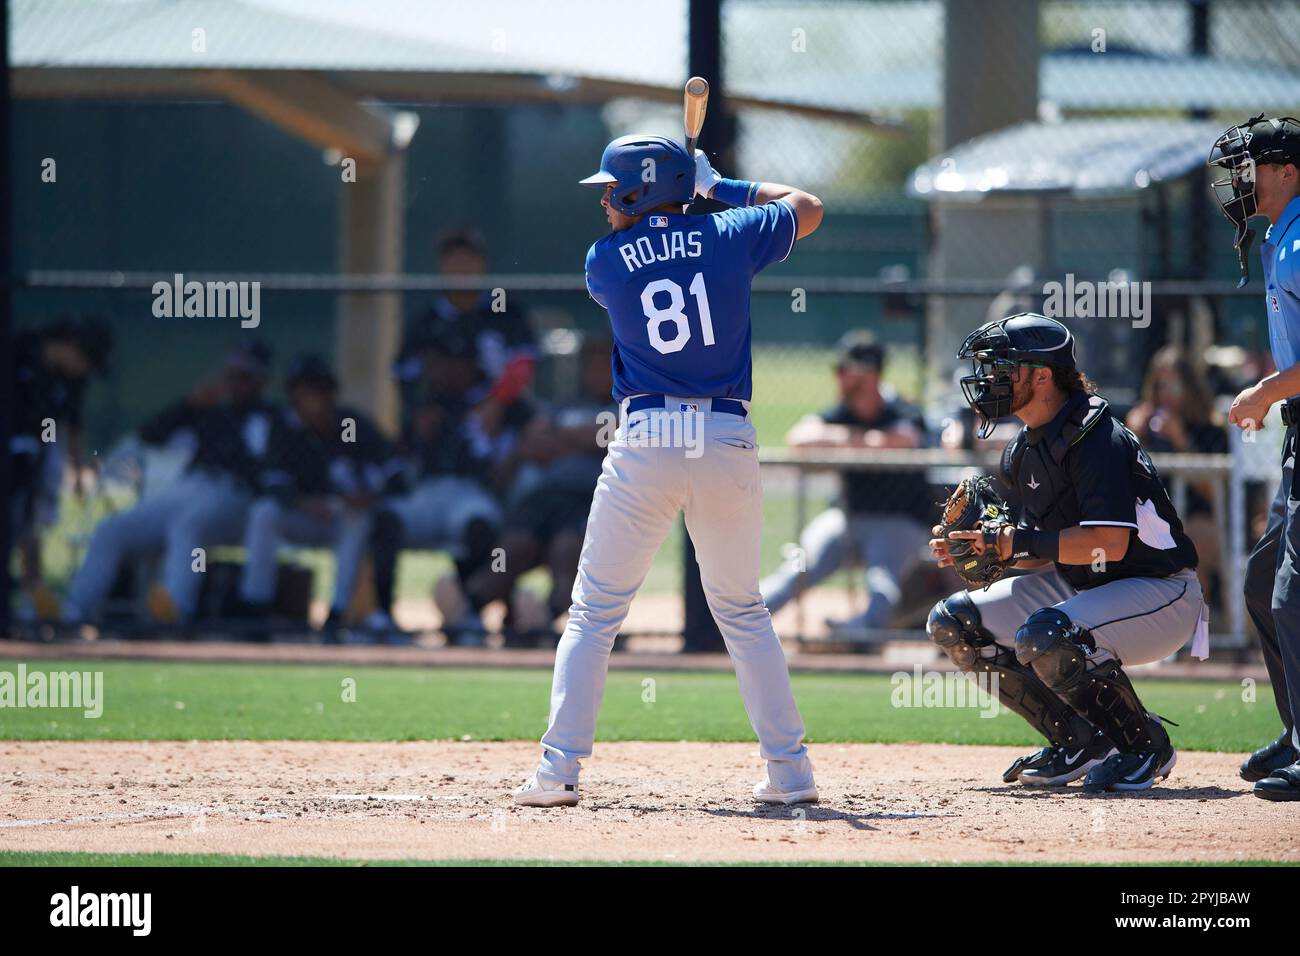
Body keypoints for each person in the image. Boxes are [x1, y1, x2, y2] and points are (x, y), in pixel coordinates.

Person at [513, 133, 825, 808]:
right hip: (725, 434)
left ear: (637, 191)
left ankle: (557, 772)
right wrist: (723, 190)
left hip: (651, 436)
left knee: (595, 610)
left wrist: (690, 206)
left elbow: (652, 256)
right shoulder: (732, 230)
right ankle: (791, 773)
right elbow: (808, 206)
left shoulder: (605, 261)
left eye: (611, 188)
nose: (603, 200)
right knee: (743, 611)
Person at [927, 313, 1206, 792]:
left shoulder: (1095, 436)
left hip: (1159, 591)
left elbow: (1108, 542)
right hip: (1087, 583)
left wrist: (1017, 542)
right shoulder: (1024, 448)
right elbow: (1046, 548)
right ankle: (1078, 739)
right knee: (955, 623)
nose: (990, 379)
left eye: (1003, 368)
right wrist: (987, 547)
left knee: (1048, 634)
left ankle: (1143, 744)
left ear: (1041, 376)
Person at [1210, 113, 1300, 800]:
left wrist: (1265, 389)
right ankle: (1296, 729)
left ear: (1289, 170)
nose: (1241, 179)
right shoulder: (1279, 237)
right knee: (1261, 585)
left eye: (1253, 165)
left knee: (1291, 596)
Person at [59, 342, 275, 627]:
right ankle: (72, 612)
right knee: (112, 529)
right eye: (231, 376)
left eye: (244, 378)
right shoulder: (207, 411)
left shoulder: (271, 418)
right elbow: (149, 435)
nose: (236, 384)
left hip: (234, 497)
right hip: (189, 487)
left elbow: (264, 470)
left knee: (188, 527)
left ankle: (174, 611)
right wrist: (189, 405)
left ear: (260, 382)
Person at [760, 332, 931, 639]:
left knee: (882, 583)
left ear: (870, 374)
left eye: (845, 371)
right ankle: (739, 624)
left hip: (899, 521)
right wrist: (863, 441)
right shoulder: (843, 411)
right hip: (848, 518)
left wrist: (842, 440)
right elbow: (798, 439)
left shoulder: (902, 408)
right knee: (798, 568)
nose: (839, 378)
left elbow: (904, 440)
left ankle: (859, 637)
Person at [460, 335, 618, 647]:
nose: (598, 371)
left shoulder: (627, 404)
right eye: (593, 364)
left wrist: (563, 438)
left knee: (565, 551)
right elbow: (533, 444)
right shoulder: (567, 404)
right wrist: (575, 440)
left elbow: (607, 436)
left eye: (607, 364)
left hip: (589, 500)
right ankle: (466, 608)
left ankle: (542, 622)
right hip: (547, 497)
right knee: (511, 550)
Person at [235, 354, 404, 641]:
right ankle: (256, 609)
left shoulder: (352, 424)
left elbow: (396, 474)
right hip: (300, 516)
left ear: (330, 394)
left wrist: (368, 496)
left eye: (316, 393)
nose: (310, 402)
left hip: (341, 518)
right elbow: (267, 481)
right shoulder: (284, 428)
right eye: (301, 394)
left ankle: (336, 617)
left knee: (359, 518)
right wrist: (302, 502)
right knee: (264, 512)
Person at [367, 325, 516, 644]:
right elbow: (397, 460)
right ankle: (382, 616)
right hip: (426, 492)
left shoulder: (490, 404)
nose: (444, 369)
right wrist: (420, 439)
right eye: (439, 362)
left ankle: (469, 616)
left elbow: (506, 457)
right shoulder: (424, 405)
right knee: (387, 517)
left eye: (453, 362)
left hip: (469, 492)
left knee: (477, 525)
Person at [12, 316, 111, 621]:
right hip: (14, 444)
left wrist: (78, 469)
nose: (84, 371)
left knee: (31, 519)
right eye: (85, 361)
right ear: (72, 347)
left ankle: (32, 592)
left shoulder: (69, 380)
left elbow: (72, 424)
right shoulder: (19, 352)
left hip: (37, 450)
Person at [396, 227, 537, 438]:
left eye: (469, 259)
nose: (461, 267)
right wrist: (420, 410)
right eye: (453, 259)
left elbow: (523, 362)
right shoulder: (426, 322)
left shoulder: (505, 311)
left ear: (482, 263)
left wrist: (496, 403)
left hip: (503, 414)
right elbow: (404, 372)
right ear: (441, 266)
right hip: (442, 417)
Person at [1125, 346, 1228, 604]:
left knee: (1192, 545)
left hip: (1197, 517)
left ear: (1189, 388)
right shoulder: (1147, 425)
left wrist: (1181, 440)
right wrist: (1130, 434)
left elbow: (1215, 494)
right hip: (1149, 515)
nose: (1165, 395)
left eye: (1173, 387)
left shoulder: (1209, 429)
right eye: (1160, 387)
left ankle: (1196, 631)